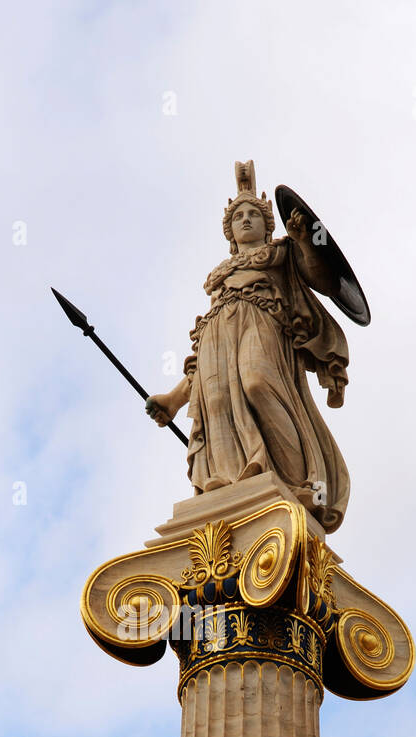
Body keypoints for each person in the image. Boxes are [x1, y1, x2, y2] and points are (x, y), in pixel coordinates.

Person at [146, 162, 351, 532]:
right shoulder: (220, 277)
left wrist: (304, 239)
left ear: (267, 225)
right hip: (217, 333)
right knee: (217, 400)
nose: (244, 220)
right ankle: (227, 480)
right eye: (238, 216)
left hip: (262, 321)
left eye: (252, 214)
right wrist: (173, 401)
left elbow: (323, 278)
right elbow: (195, 364)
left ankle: (296, 483)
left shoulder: (282, 254)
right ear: (229, 232)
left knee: (258, 383)